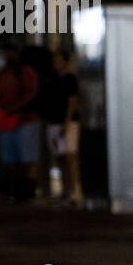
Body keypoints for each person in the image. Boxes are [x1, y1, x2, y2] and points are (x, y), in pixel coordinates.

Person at [0, 45, 40, 203]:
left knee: (27, 159)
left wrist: (14, 108)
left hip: (25, 120)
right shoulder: (3, 73)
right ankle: (13, 191)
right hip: (9, 120)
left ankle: (27, 192)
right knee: (10, 159)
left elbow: (31, 94)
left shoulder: (25, 72)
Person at [45, 48, 82, 206]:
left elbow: (72, 101)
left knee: (69, 157)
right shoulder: (53, 79)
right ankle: (65, 191)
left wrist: (67, 121)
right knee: (60, 157)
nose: (56, 64)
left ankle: (73, 192)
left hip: (68, 122)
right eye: (55, 61)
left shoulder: (70, 79)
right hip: (54, 121)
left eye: (59, 60)